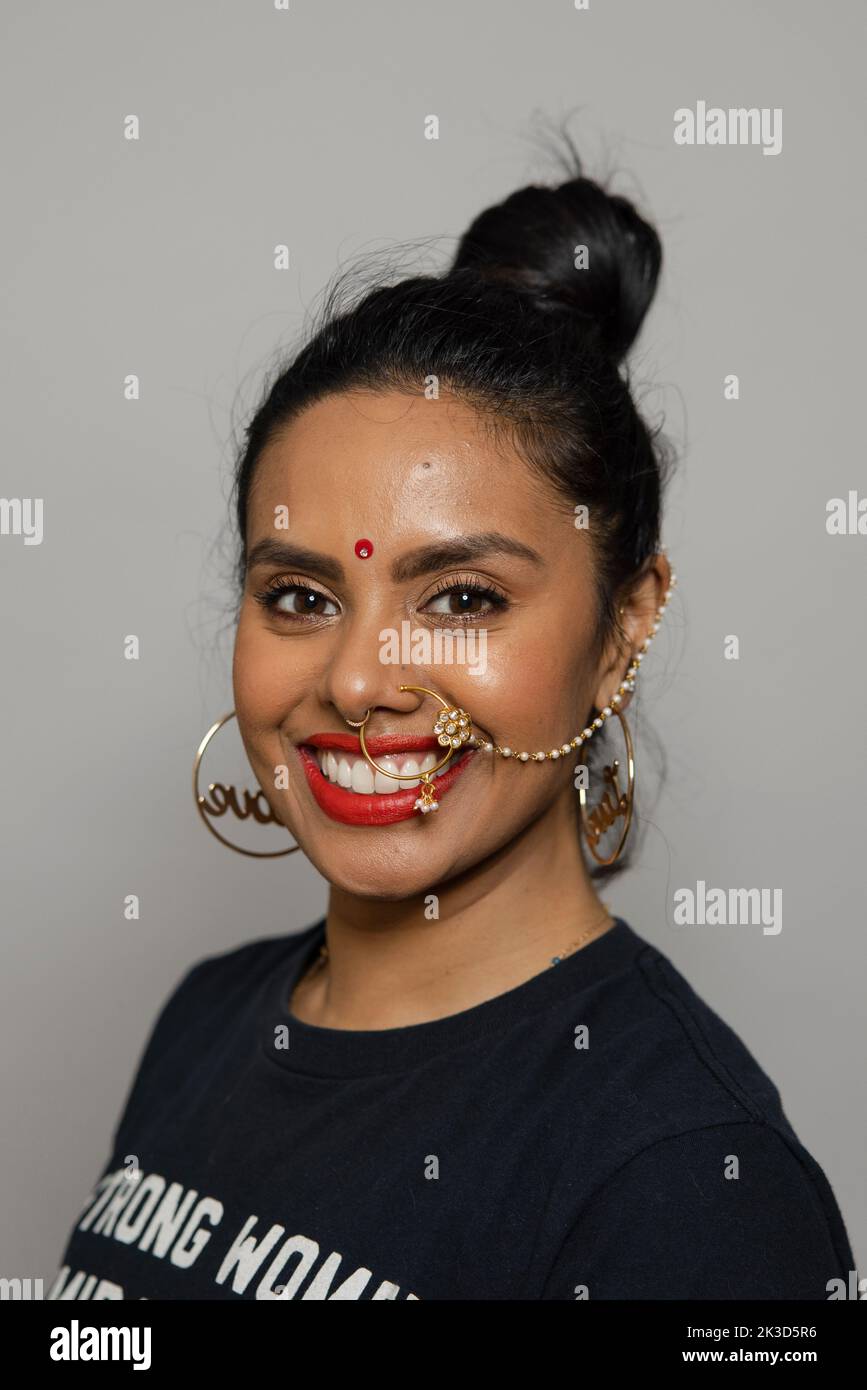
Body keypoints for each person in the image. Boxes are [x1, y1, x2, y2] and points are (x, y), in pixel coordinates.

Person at [50, 142, 854, 1301]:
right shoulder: (207, 1017)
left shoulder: (690, 1182)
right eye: (302, 596)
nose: (360, 680)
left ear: (624, 628)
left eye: (463, 599)